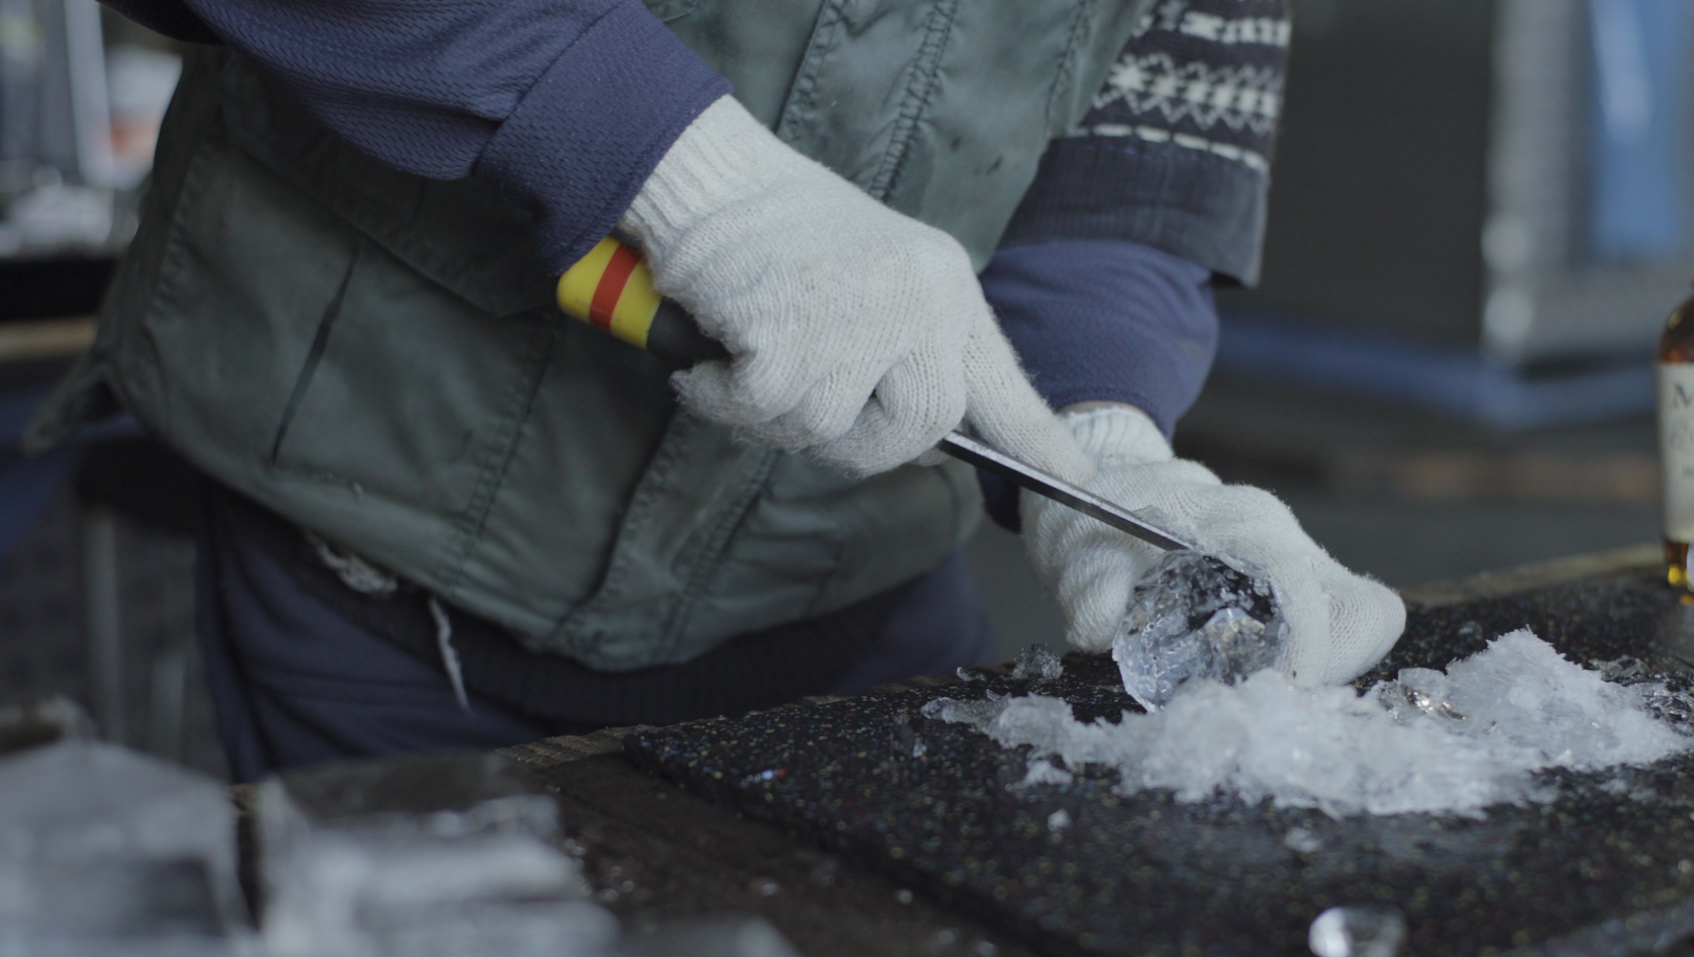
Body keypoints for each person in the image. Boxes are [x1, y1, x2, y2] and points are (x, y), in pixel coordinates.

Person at [36, 0, 1405, 780]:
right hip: (380, 525)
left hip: (842, 583)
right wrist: (672, 163)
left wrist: (1102, 444)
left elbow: (1135, 141)